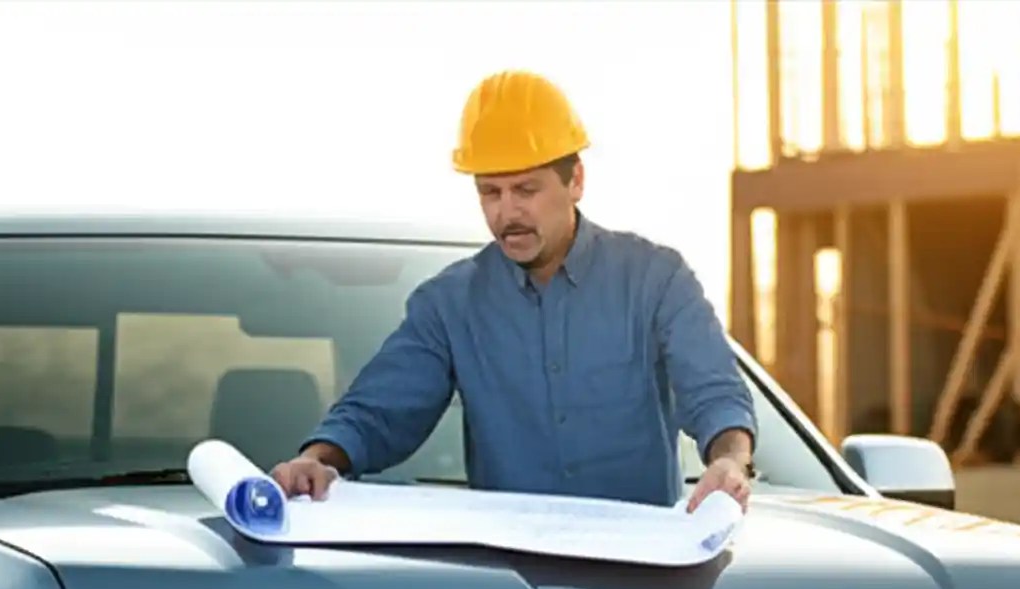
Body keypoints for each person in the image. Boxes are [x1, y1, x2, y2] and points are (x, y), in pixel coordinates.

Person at [271, 69, 758, 513]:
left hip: (645, 586)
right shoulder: (448, 306)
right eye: (490, 192)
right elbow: (380, 411)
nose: (507, 212)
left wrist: (730, 463)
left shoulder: (657, 279)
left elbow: (714, 393)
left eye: (526, 190)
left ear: (577, 181)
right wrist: (318, 459)